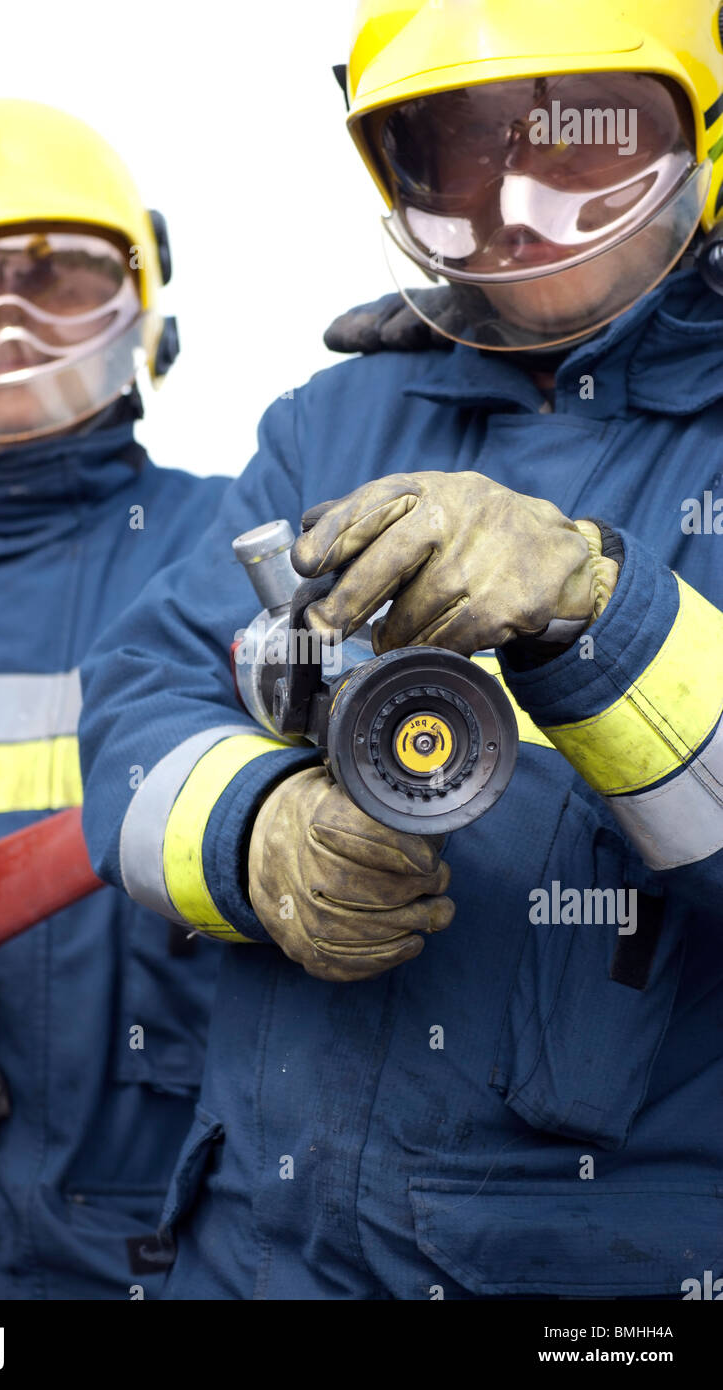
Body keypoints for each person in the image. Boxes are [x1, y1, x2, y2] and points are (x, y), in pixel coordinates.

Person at [79, 0, 723, 1299]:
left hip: (587, 1276)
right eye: (461, 153)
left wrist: (598, 602)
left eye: (581, 144)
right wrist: (254, 834)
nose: (515, 203)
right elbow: (141, 710)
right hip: (245, 1252)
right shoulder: (334, 421)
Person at [0, 84, 226, 1299]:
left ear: (143, 292)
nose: (6, 329)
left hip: (203, 1259)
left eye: (57, 276)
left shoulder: (257, 552)